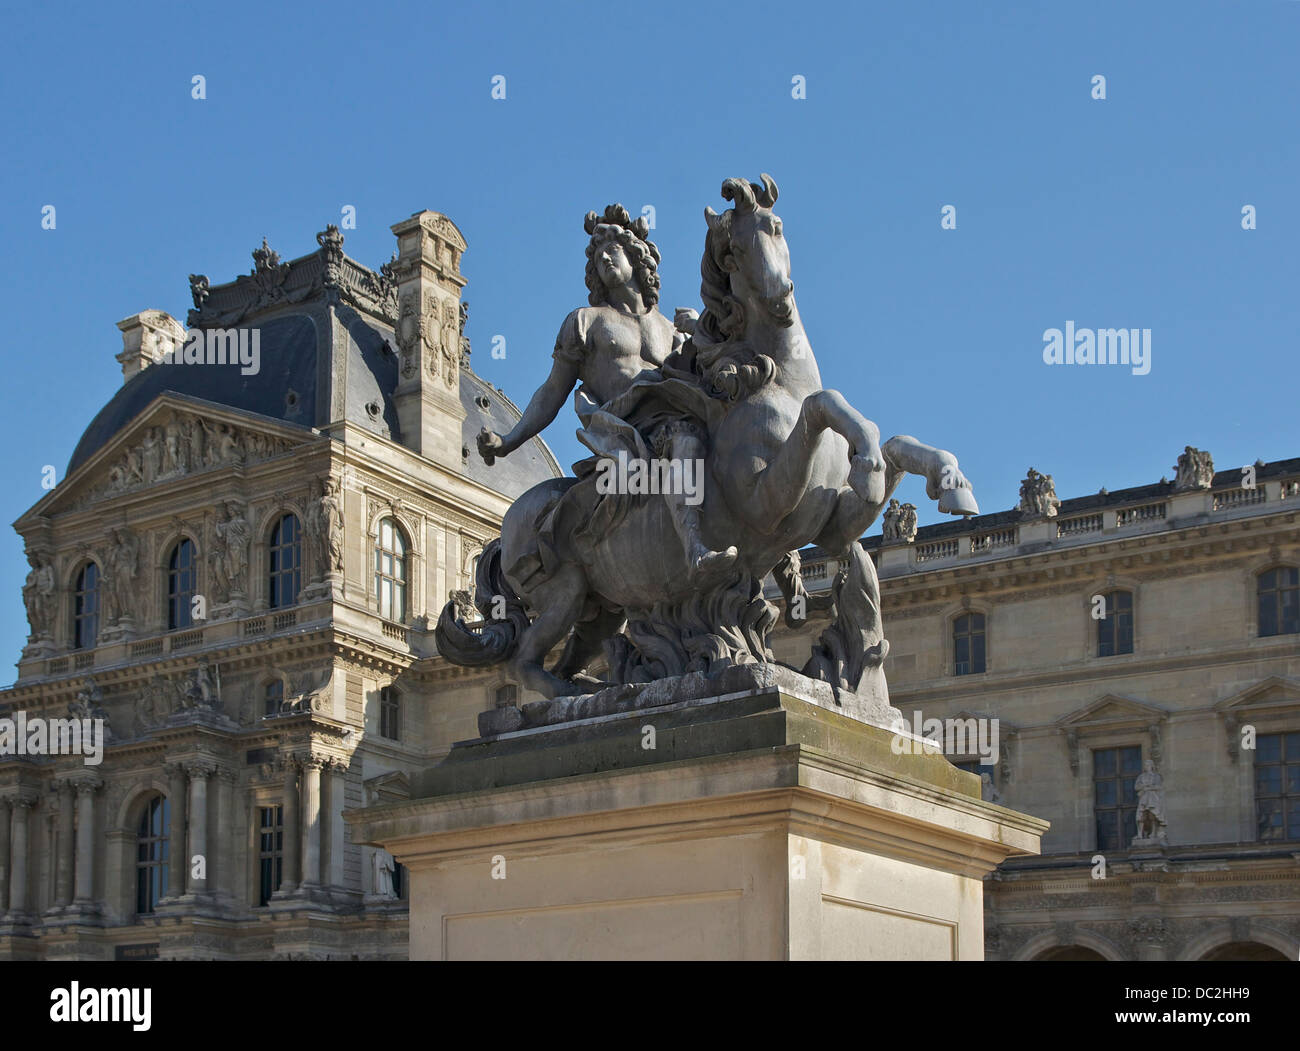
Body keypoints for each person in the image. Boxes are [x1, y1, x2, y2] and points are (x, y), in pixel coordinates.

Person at [478, 204, 735, 582]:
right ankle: (694, 548)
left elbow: (712, 379)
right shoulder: (586, 322)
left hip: (675, 412)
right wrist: (508, 440)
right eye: (597, 256)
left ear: (637, 257)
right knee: (687, 439)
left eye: (612, 250)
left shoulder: (672, 330)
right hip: (627, 429)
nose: (603, 259)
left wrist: (702, 333)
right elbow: (553, 391)